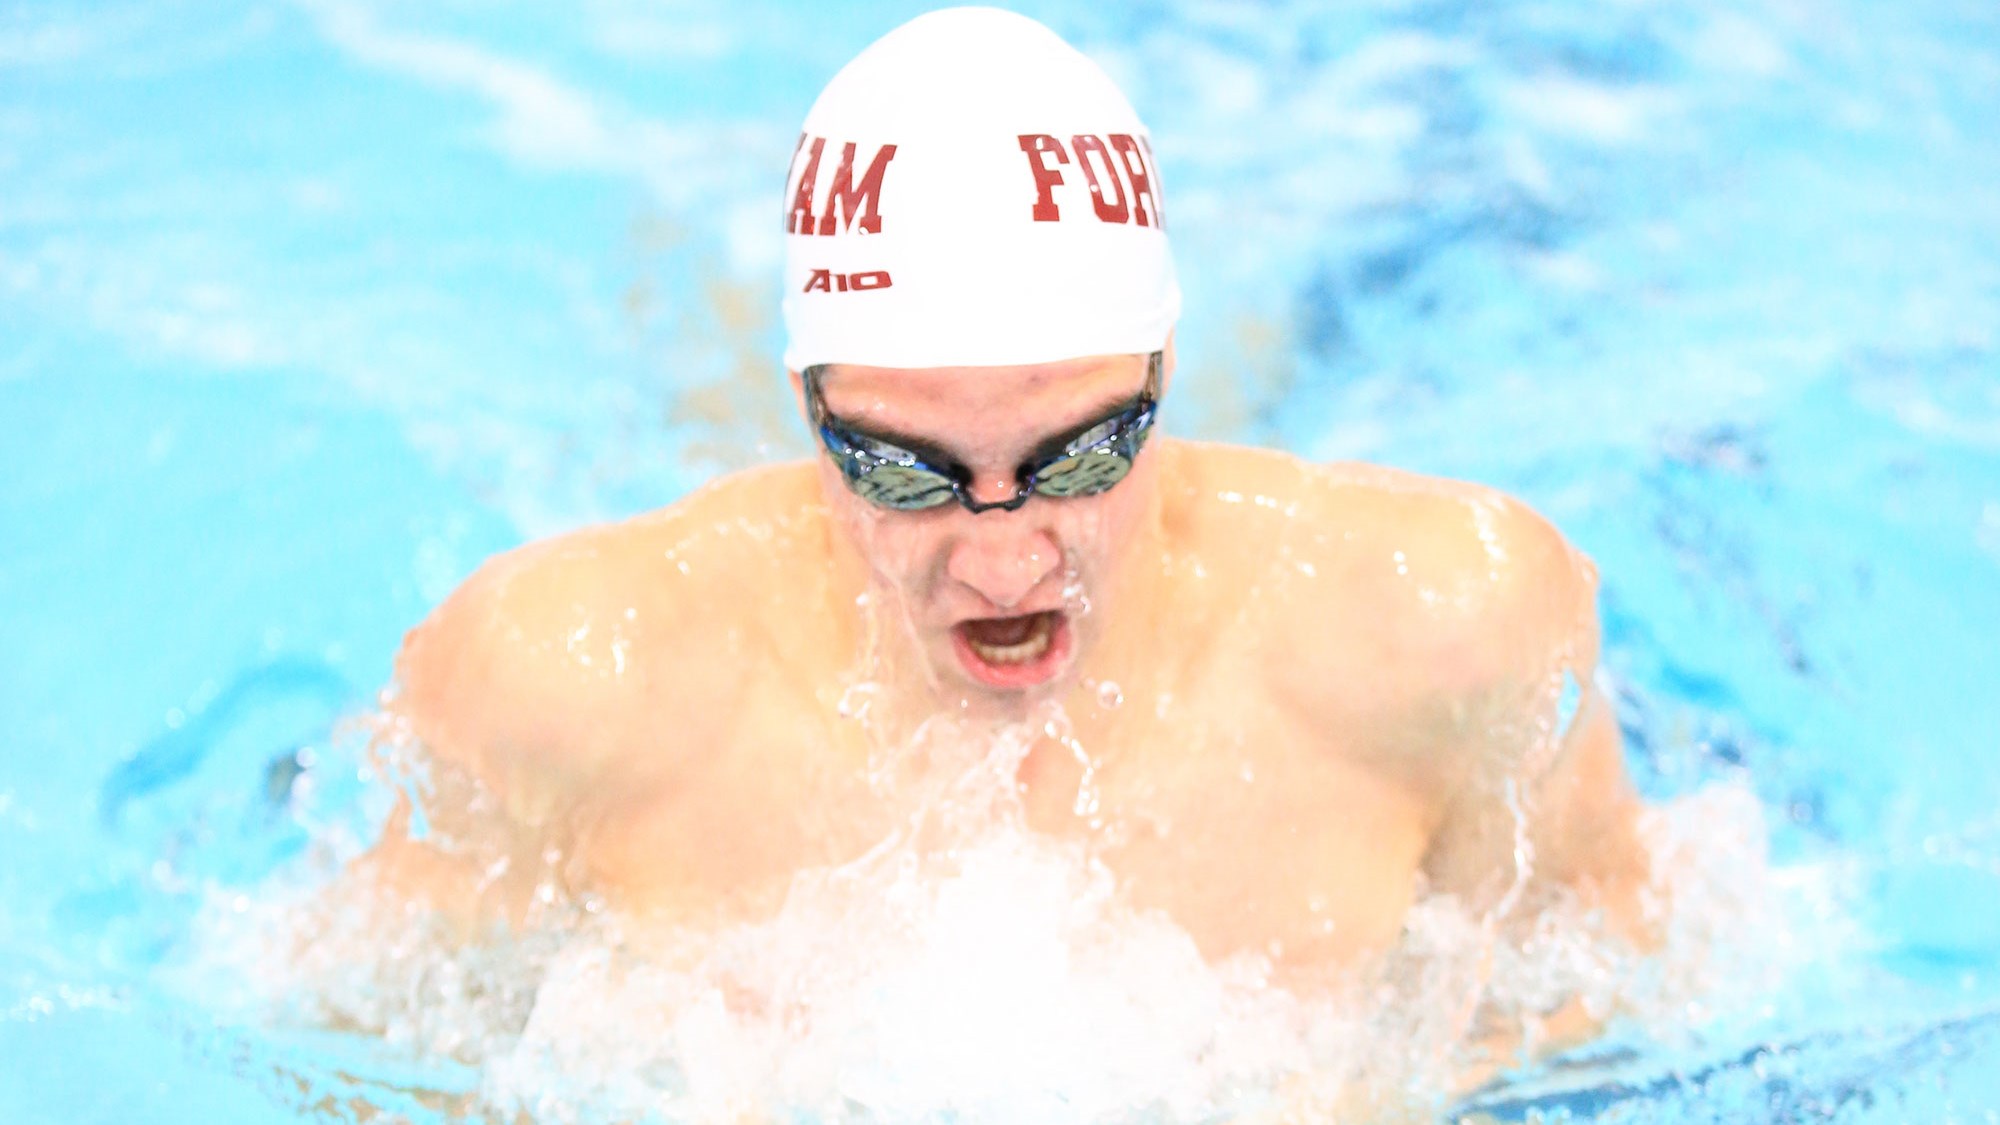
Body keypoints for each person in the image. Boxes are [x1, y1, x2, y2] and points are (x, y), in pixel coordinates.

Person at [358, 5, 1652, 1012]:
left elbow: (1611, 1008)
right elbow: (362, 1056)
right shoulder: (562, 686)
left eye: (1084, 453)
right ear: (808, 407)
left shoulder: (1455, 630)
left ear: (1162, 378)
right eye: (903, 471)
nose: (1005, 559)